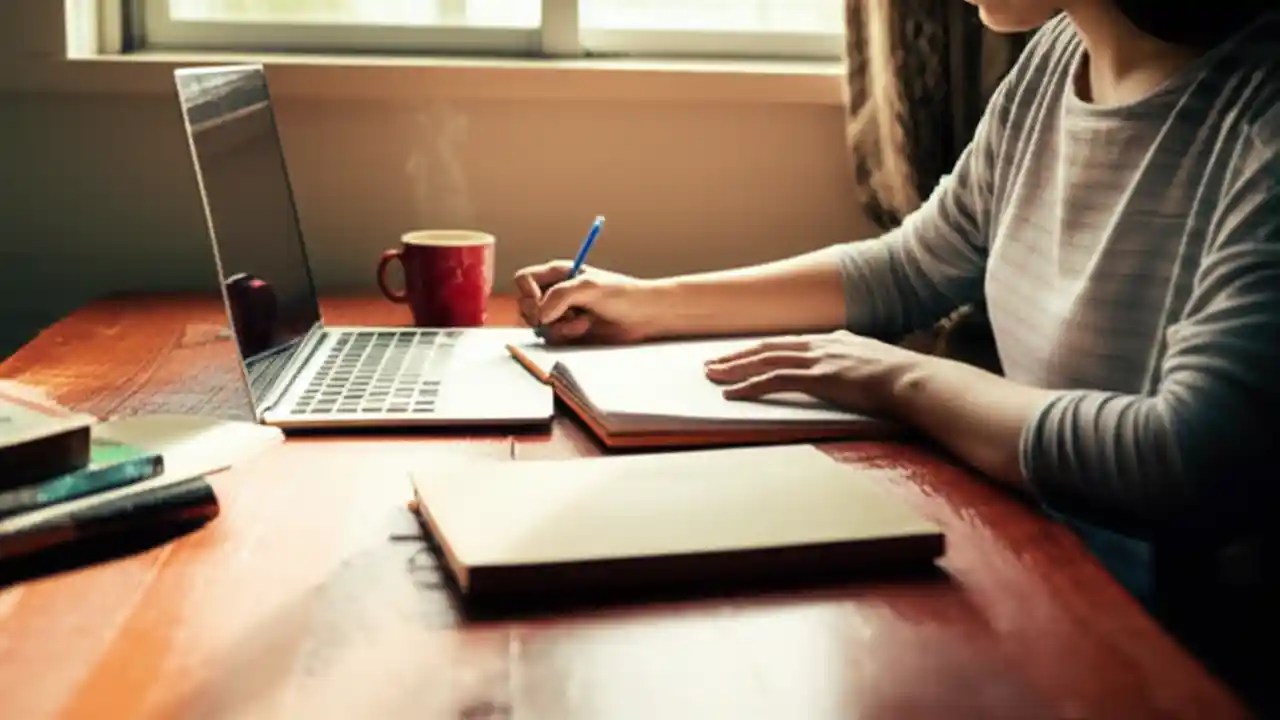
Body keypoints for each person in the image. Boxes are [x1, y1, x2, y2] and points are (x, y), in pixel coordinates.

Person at [514, 1, 1278, 541]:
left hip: (1179, 648)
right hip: (1029, 544)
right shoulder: (1055, 60)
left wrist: (901, 380)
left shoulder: (1262, 116)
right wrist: (648, 304)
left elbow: (1190, 457)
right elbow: (912, 265)